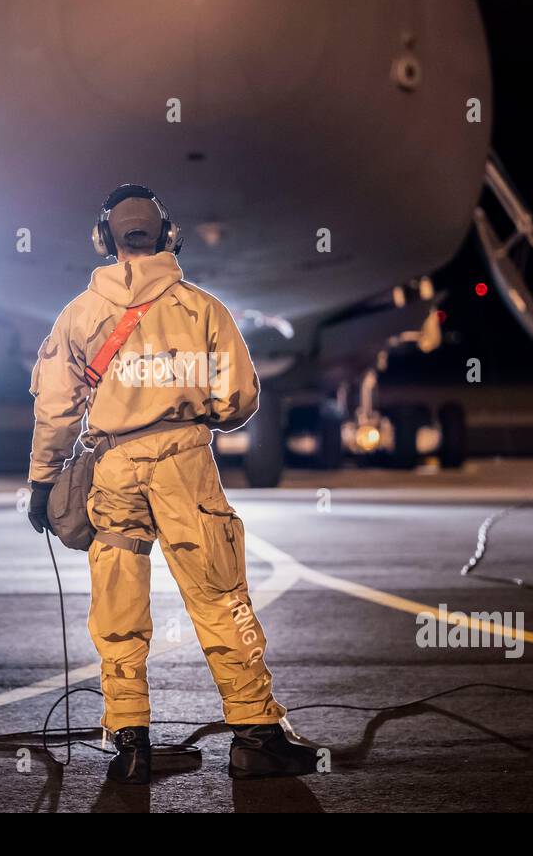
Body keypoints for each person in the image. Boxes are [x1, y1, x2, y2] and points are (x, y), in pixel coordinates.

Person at [25, 184, 317, 783]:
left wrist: (41, 481)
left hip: (113, 468)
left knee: (118, 605)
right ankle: (255, 735)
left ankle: (130, 742)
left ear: (105, 240)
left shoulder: (80, 314)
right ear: (168, 236)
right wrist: (188, 407)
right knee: (219, 596)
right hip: (184, 465)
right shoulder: (203, 309)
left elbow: (55, 409)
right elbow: (239, 400)